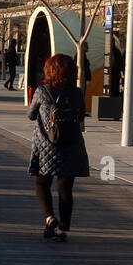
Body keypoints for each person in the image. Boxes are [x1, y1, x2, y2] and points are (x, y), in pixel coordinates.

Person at [27, 53, 90, 242]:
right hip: (72, 145)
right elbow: (81, 115)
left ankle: (49, 217)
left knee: (42, 182)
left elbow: (31, 115)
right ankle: (63, 229)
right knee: (65, 187)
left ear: (49, 70)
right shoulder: (78, 92)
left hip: (47, 146)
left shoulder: (42, 91)